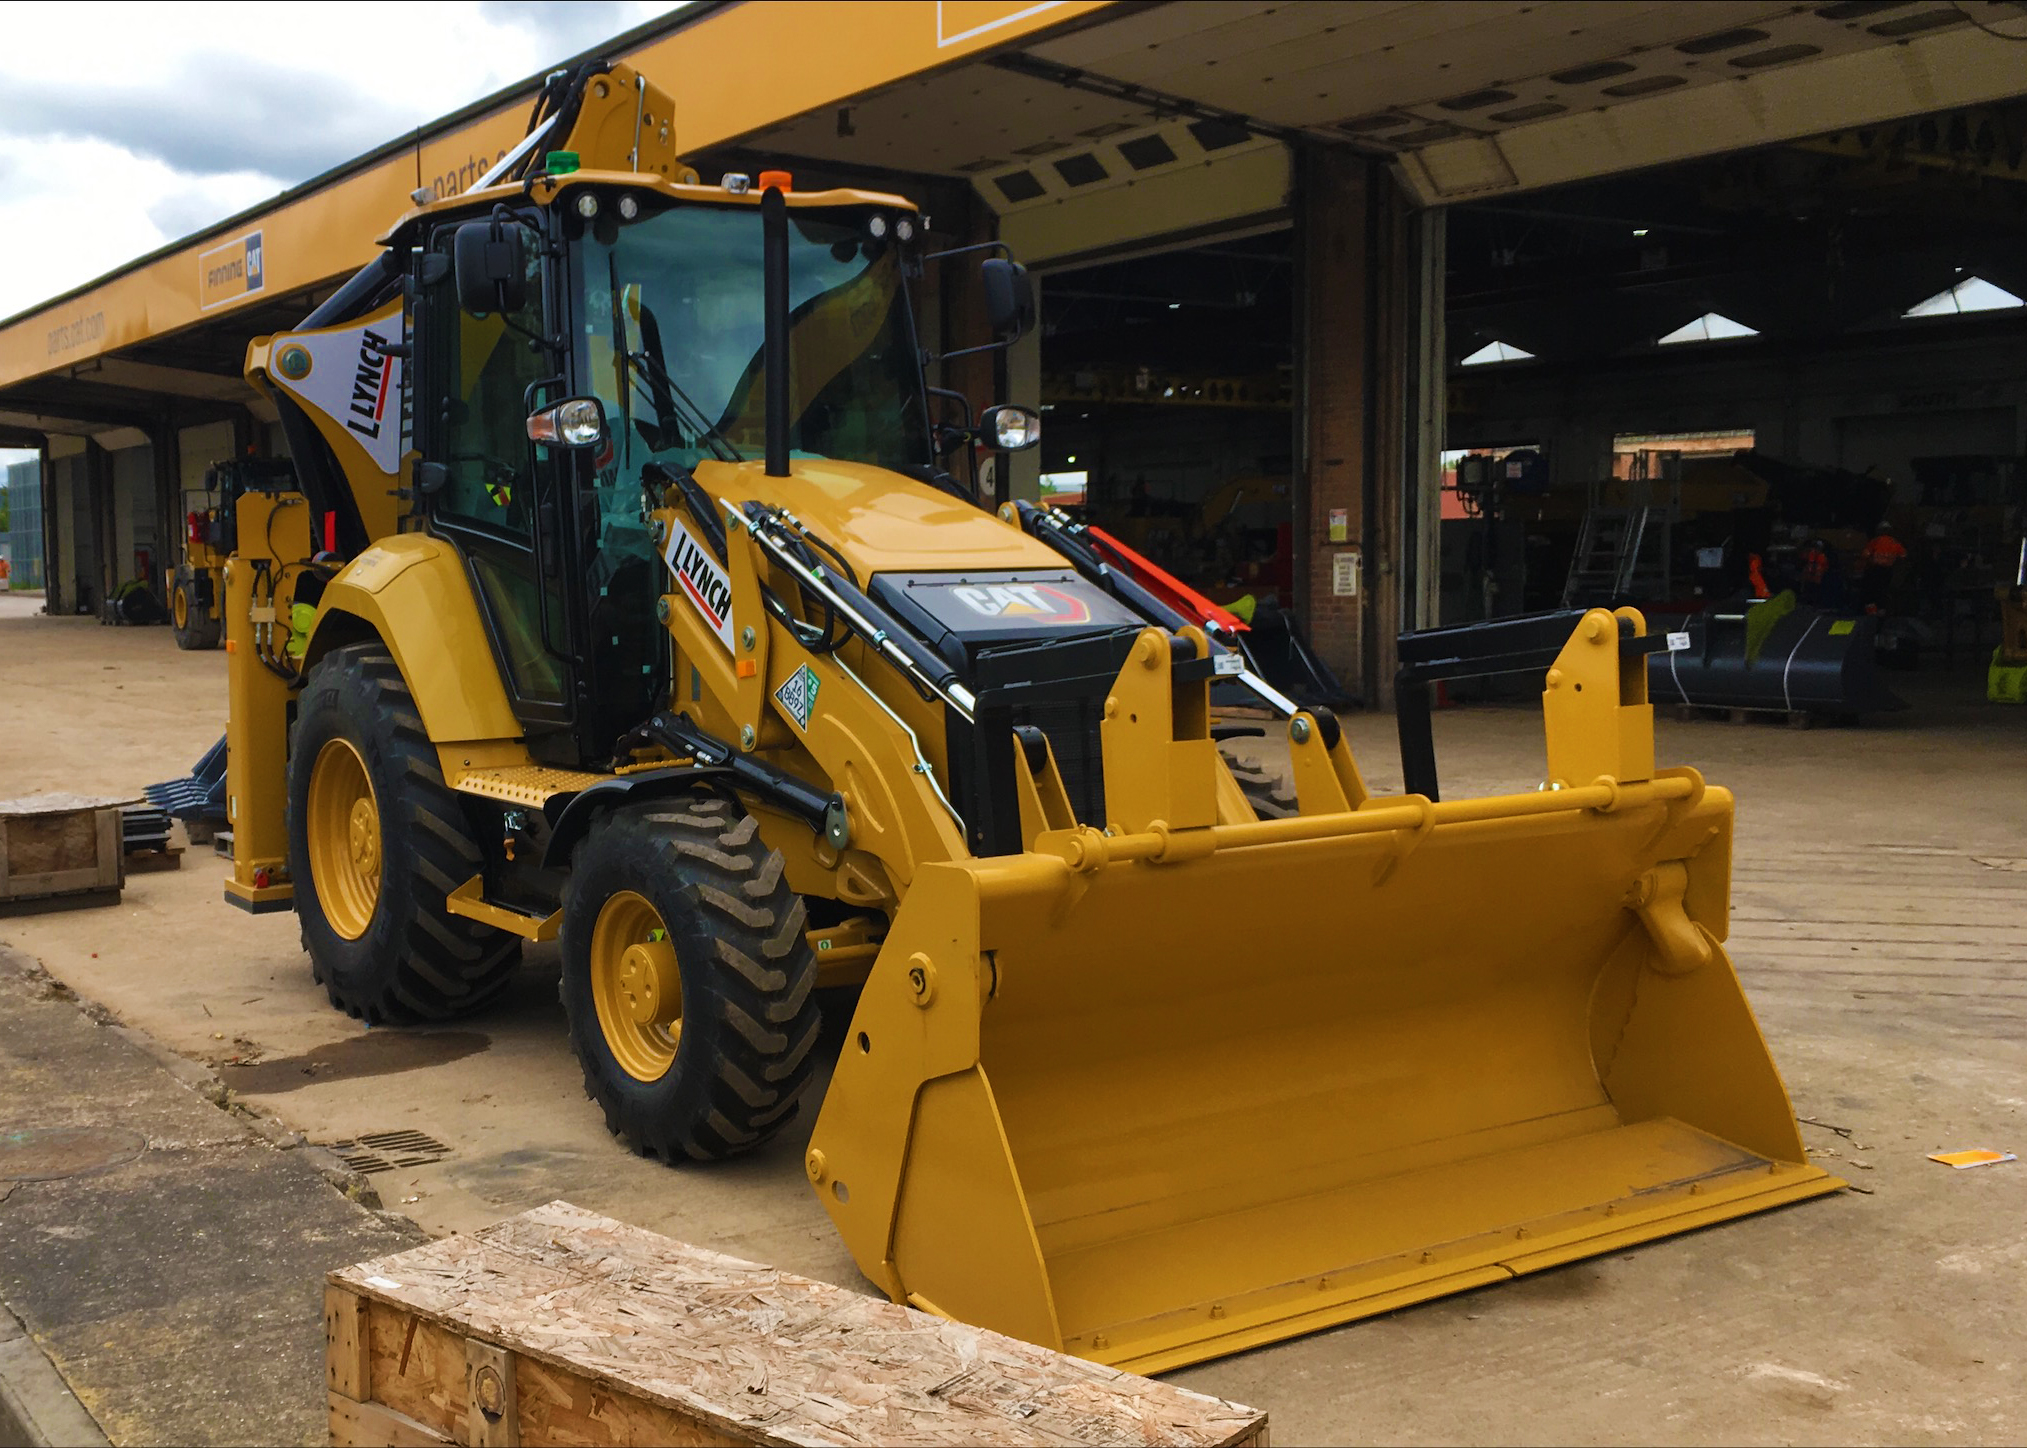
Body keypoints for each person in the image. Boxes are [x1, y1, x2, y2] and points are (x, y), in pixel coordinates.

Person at [1859, 521, 1906, 612]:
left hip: (1874, 570)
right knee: (1882, 592)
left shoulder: (1875, 541)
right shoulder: (1895, 543)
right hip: (1887, 572)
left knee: (1870, 591)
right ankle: (1882, 612)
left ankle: (1872, 613)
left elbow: (1865, 555)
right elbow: (1903, 556)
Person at [1800, 537, 1830, 604]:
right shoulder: (1814, 554)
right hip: (1812, 577)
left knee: (1813, 591)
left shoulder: (1820, 556)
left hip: (1815, 577)